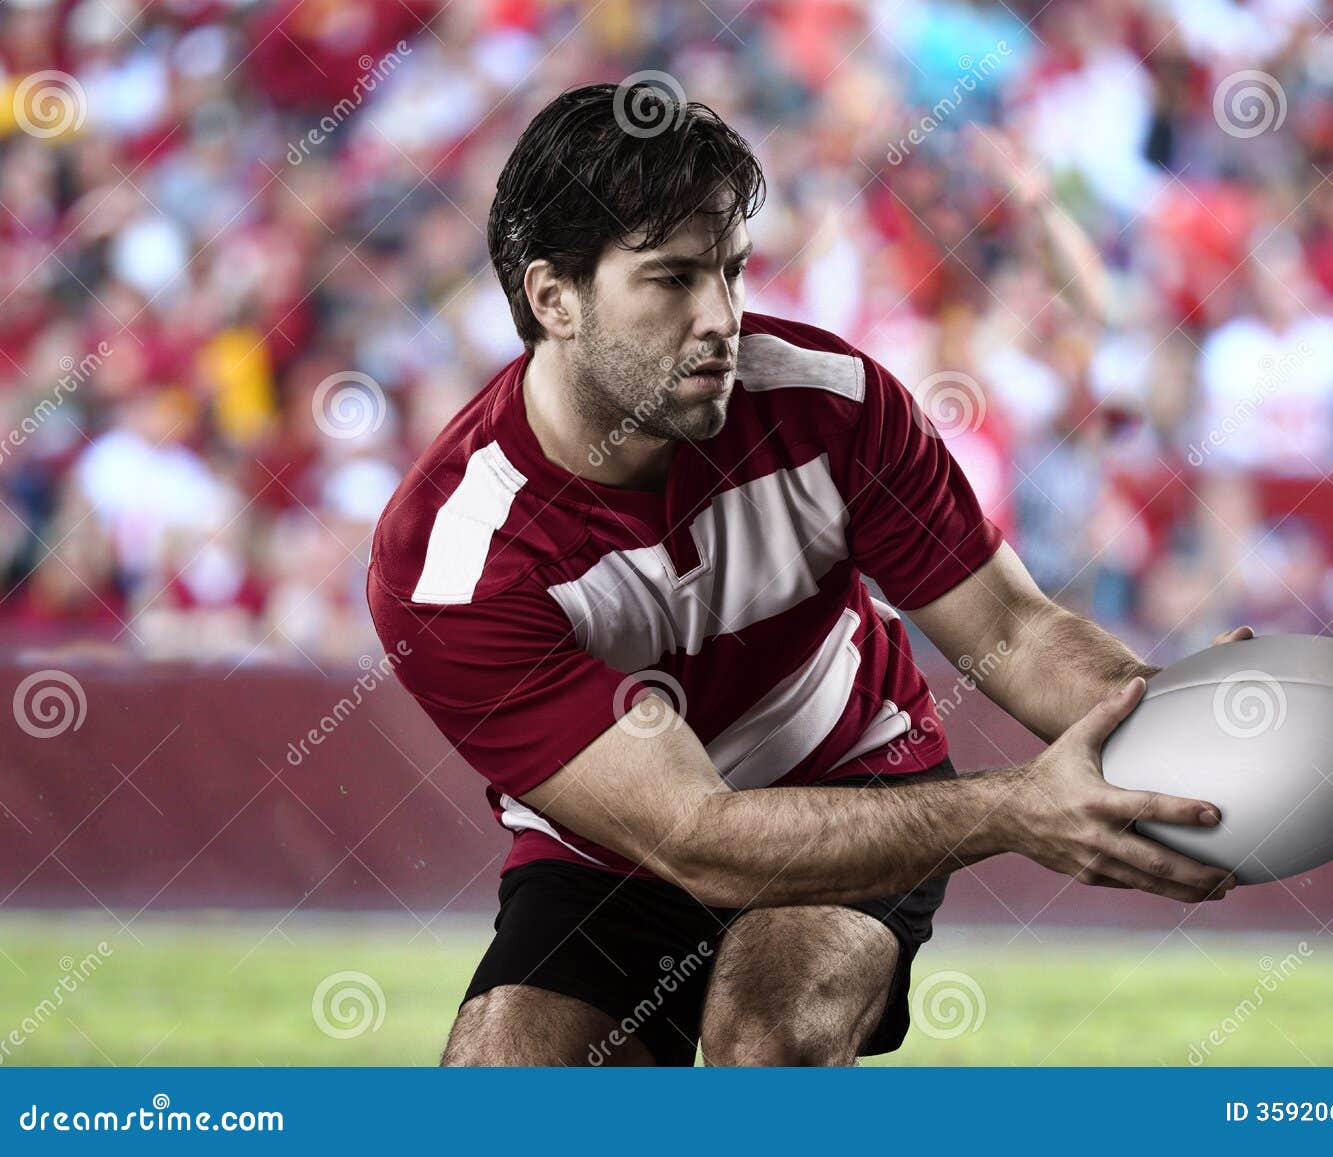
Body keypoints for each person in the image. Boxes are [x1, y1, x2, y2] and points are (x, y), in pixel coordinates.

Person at [366, 81, 1245, 1068]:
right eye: (671, 279)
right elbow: (694, 833)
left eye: (732, 271)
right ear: (552, 297)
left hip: (854, 776)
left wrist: (1172, 726)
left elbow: (1015, 627)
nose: (722, 318)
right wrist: (1015, 807)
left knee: (766, 1042)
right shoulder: (447, 566)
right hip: (617, 848)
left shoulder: (836, 404)